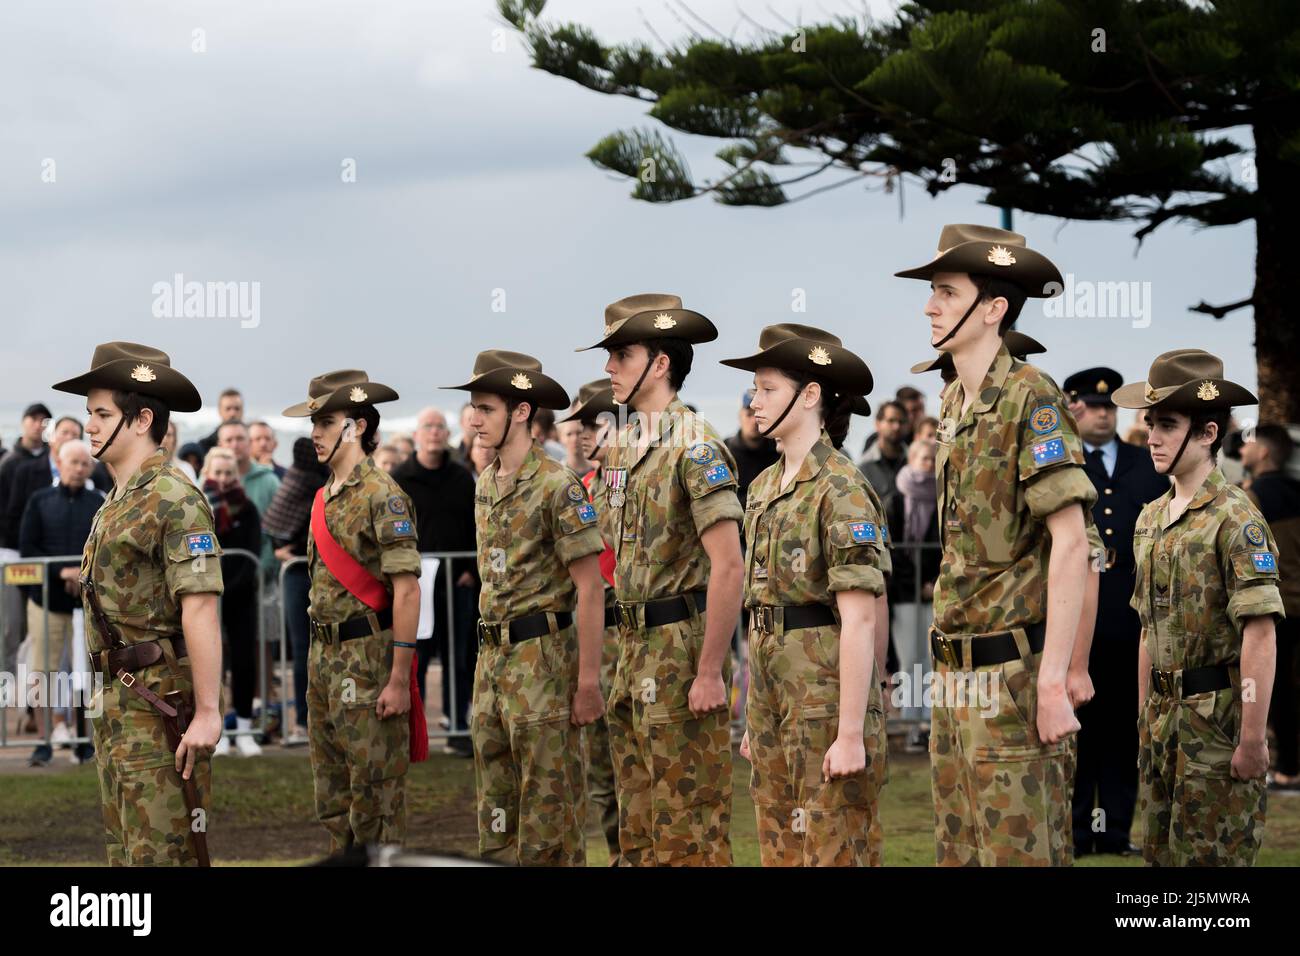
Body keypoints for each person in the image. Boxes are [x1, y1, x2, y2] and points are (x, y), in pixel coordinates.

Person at [895, 224, 1098, 866]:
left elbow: (1072, 546)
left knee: (1021, 852)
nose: (930, 306)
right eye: (931, 292)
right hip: (956, 675)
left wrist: (1054, 681)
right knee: (960, 853)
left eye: (946, 293)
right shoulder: (954, 400)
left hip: (1011, 673)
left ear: (992, 309)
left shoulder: (1031, 398)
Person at [579, 292, 744, 866]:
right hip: (631, 653)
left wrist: (708, 671)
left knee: (688, 825)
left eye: (621, 355)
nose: (608, 369)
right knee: (638, 826)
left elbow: (728, 565)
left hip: (679, 652)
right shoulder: (621, 448)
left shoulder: (697, 446)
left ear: (661, 363)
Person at [719, 324, 889, 866]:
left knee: (835, 848)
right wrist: (755, 716)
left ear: (809, 394)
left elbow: (861, 621)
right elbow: (761, 613)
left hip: (824, 705)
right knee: (781, 850)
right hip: (775, 704)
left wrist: (851, 733)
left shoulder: (841, 488)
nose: (754, 400)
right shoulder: (765, 486)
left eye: (767, 387)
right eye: (755, 388)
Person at [52, 342, 224, 865]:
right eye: (89, 414)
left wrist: (210, 712)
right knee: (125, 855)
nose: (91, 426)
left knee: (163, 853)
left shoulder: (173, 496)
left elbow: (199, 607)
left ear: (142, 417)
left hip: (159, 709)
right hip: (118, 708)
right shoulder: (118, 499)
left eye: (103, 414)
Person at [1114, 350, 1284, 866]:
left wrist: (1253, 740)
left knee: (1213, 873)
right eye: (1150, 423)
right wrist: (1144, 718)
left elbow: (1260, 633)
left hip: (1217, 722)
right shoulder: (1149, 519)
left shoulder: (1236, 520)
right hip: (1163, 721)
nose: (1153, 437)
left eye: (1167, 424)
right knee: (1160, 862)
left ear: (1208, 433)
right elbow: (1147, 627)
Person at [443, 351, 605, 864]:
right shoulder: (485, 486)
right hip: (491, 661)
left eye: (485, 408)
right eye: (472, 408)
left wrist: (587, 683)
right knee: (495, 807)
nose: (473, 419)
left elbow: (591, 588)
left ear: (520, 412)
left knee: (549, 811)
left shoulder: (558, 487)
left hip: (544, 660)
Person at [282, 370, 423, 850]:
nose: (315, 434)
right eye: (313, 423)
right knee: (332, 796)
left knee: (374, 797)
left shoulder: (384, 495)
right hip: (324, 659)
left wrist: (399, 677)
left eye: (325, 422)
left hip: (369, 657)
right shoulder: (322, 497)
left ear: (357, 427)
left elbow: (405, 591)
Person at [1062, 367, 1169, 855]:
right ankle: (1079, 830)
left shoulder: (1143, 463)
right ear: (1074, 407)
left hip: (1130, 613)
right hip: (1075, 613)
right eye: (1093, 405)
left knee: (1125, 728)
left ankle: (1116, 832)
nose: (1103, 414)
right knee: (1079, 727)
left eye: (1109, 407)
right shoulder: (1061, 461)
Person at [556, 378, 623, 863]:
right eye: (579, 424)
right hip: (594, 642)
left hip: (639, 639)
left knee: (642, 773)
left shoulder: (641, 483)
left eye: (593, 422)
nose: (582, 434)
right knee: (601, 775)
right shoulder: (578, 490)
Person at [391, 406, 478, 757]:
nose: (434, 432)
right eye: (428, 426)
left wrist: (472, 568)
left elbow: (475, 525)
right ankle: (415, 730)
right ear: (417, 434)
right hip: (417, 582)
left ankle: (457, 727)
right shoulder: (400, 476)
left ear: (447, 433)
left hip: (457, 580)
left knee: (457, 655)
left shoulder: (460, 477)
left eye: (440, 427)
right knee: (418, 656)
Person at [19, 438, 103, 767]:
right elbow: (28, 548)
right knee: (44, 672)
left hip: (87, 603)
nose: (80, 469)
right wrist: (61, 571)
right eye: (74, 463)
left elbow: (102, 547)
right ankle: (43, 742)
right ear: (60, 463)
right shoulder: (40, 501)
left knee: (87, 673)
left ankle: (85, 741)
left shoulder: (98, 501)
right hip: (46, 602)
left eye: (85, 464)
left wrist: (79, 573)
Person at [1241, 424, 1300, 791]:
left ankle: (1288, 769)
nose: (1241, 451)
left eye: (1247, 445)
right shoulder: (1298, 489)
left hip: (1279, 604)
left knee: (1278, 690)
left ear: (1263, 453)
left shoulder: (1253, 497)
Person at [261, 437, 329, 748]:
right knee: (304, 649)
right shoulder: (307, 479)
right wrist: (282, 551)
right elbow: (277, 523)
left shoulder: (321, 481)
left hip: (319, 571)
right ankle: (304, 720)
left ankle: (315, 719)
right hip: (298, 572)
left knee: (318, 647)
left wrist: (282, 549)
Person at [199, 447, 264, 758]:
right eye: (218, 472)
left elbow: (252, 552)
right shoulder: (199, 507)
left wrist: (231, 586)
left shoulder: (248, 509)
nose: (223, 479)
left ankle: (245, 726)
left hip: (241, 594)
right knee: (212, 662)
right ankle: (218, 728)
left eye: (228, 473)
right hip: (208, 597)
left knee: (243, 661)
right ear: (208, 473)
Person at [887, 438, 941, 746]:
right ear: (910, 458)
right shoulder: (893, 499)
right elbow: (892, 549)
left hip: (934, 592)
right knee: (909, 662)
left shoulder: (944, 497)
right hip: (905, 594)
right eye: (923, 458)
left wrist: (934, 581)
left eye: (933, 459)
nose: (929, 464)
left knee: (932, 661)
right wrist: (914, 582)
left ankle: (930, 725)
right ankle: (911, 724)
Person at [0, 402, 51, 676]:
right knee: (12, 627)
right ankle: (7, 698)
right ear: (23, 422)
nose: (38, 424)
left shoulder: (49, 462)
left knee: (38, 628)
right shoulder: (8, 463)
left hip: (41, 555)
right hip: (12, 555)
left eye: (43, 420)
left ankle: (33, 706)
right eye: (33, 418)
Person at [216, 420, 280, 575]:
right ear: (219, 444)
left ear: (249, 442)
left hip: (261, 574)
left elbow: (277, 532)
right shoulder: (207, 482)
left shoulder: (269, 480)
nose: (235, 445)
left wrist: (262, 569)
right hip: (217, 576)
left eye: (240, 439)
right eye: (229, 440)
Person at [724, 390, 780, 509]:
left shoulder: (779, 450)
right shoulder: (724, 451)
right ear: (740, 416)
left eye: (758, 414)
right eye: (749, 414)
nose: (754, 421)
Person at [856, 401, 909, 511]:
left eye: (901, 421)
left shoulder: (916, 461)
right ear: (878, 423)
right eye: (891, 421)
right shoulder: (864, 466)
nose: (896, 426)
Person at [198, 388, 244, 453]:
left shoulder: (254, 441)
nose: (232, 413)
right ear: (220, 411)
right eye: (228, 409)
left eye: (237, 408)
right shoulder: (205, 445)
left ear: (242, 410)